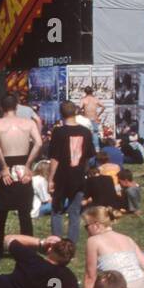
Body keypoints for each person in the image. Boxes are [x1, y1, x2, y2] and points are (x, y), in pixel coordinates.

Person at [0, 93, 42, 261]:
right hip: (23, 164)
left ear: (1, 107)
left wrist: (3, 167)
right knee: (24, 212)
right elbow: (39, 143)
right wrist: (28, 166)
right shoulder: (28, 123)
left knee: (1, 213)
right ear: (17, 106)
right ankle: (29, 250)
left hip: (7, 164)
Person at [48, 101, 95, 243]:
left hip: (62, 176)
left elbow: (54, 158)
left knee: (57, 211)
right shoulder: (86, 132)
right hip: (79, 175)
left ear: (61, 114)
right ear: (76, 112)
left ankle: (56, 242)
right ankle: (72, 244)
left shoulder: (58, 132)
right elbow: (88, 156)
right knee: (74, 212)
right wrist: (84, 171)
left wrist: (50, 178)